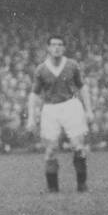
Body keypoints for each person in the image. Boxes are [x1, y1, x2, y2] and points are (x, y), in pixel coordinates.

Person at [32, 36, 92, 192]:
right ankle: (53, 189)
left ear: (64, 48)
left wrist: (89, 109)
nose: (56, 47)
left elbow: (82, 88)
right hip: (50, 108)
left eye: (60, 45)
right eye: (53, 45)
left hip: (71, 106)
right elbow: (34, 94)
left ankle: (82, 185)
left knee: (78, 147)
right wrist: (31, 117)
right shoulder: (41, 69)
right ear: (48, 48)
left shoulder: (72, 65)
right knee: (51, 150)